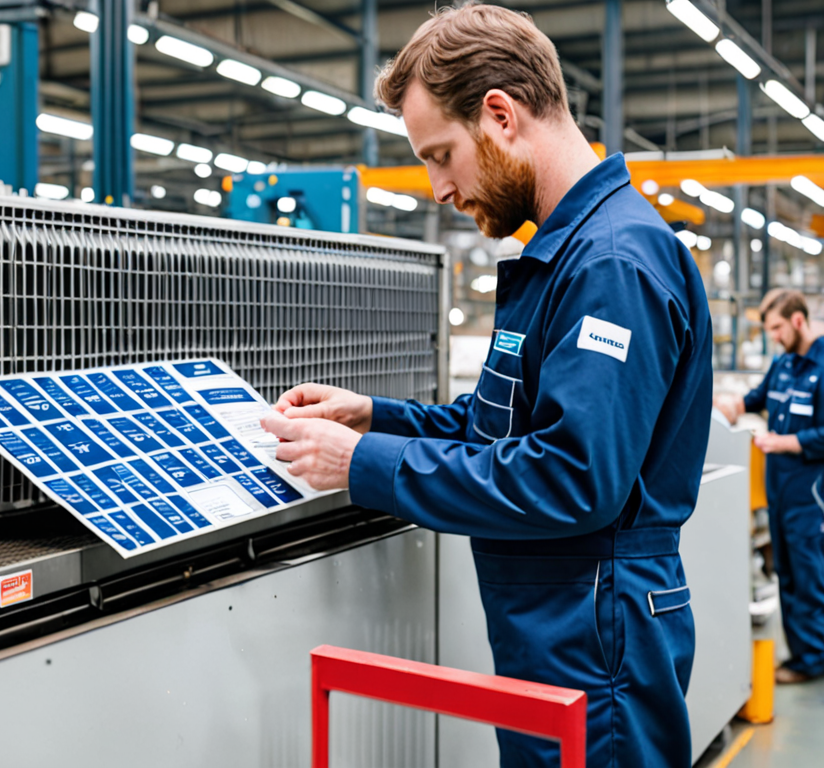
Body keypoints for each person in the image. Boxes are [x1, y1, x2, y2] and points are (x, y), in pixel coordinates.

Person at [259, 5, 713, 767]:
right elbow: (504, 425)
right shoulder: (564, 256)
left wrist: (360, 464)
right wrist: (373, 418)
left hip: (597, 633)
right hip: (563, 624)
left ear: (499, 114)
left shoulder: (611, 265)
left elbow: (573, 477)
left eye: (441, 153)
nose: (437, 188)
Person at [715, 289, 824, 684]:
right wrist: (727, 405)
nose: (773, 336)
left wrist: (783, 442)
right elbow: (756, 398)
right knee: (787, 574)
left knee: (807, 574)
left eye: (777, 328)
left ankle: (811, 659)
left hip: (809, 492)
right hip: (778, 488)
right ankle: (805, 651)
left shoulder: (822, 366)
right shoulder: (782, 363)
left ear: (798, 320)